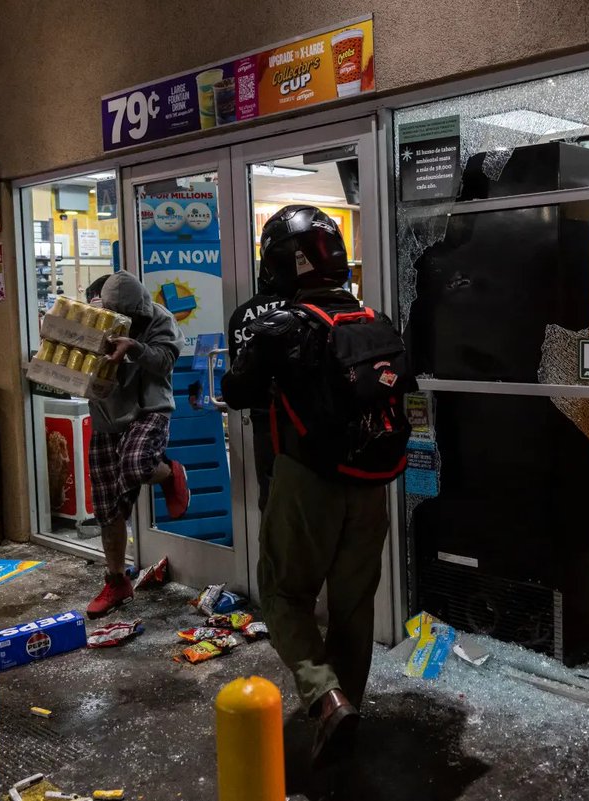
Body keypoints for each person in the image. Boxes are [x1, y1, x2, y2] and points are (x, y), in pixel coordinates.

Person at [222, 206, 413, 765]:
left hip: (308, 480)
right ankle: (347, 708)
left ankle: (327, 702)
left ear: (286, 262)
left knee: (283, 593)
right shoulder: (369, 317)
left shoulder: (281, 325)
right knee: (353, 606)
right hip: (371, 483)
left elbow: (237, 391)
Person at [85, 272, 190, 617]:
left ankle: (170, 472)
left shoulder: (160, 319)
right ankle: (116, 581)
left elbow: (164, 362)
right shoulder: (95, 318)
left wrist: (135, 348)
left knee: (137, 464)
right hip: (106, 415)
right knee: (107, 507)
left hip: (148, 409)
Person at [225, 270, 285, 507]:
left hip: (263, 424)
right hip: (302, 424)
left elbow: (238, 385)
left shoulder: (241, 315)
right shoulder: (296, 309)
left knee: (271, 502)